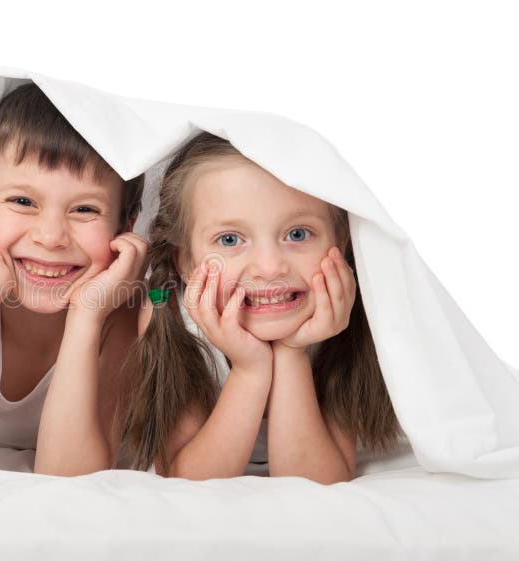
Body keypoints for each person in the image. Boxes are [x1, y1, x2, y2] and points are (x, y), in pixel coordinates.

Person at [119, 132, 401, 483]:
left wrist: (292, 352)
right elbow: (187, 479)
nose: (269, 267)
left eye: (297, 234)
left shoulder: (343, 314)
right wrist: (249, 370)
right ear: (185, 263)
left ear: (342, 242)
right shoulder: (170, 313)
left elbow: (317, 484)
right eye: (230, 240)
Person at [0, 83, 147, 475]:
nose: (50, 237)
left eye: (85, 209)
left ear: (125, 225)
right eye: (22, 202)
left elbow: (67, 477)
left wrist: (87, 316)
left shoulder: (121, 315)